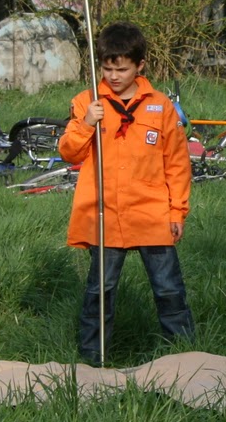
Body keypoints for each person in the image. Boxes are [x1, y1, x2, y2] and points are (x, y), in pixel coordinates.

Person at [59, 22, 194, 366]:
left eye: (122, 69)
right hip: (103, 214)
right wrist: (86, 123)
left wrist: (177, 211)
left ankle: (182, 355)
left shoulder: (161, 107)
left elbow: (177, 164)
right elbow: (69, 153)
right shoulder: (86, 102)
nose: (114, 76)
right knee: (99, 291)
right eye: (107, 68)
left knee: (168, 289)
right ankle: (93, 358)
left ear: (140, 66)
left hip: (152, 213)